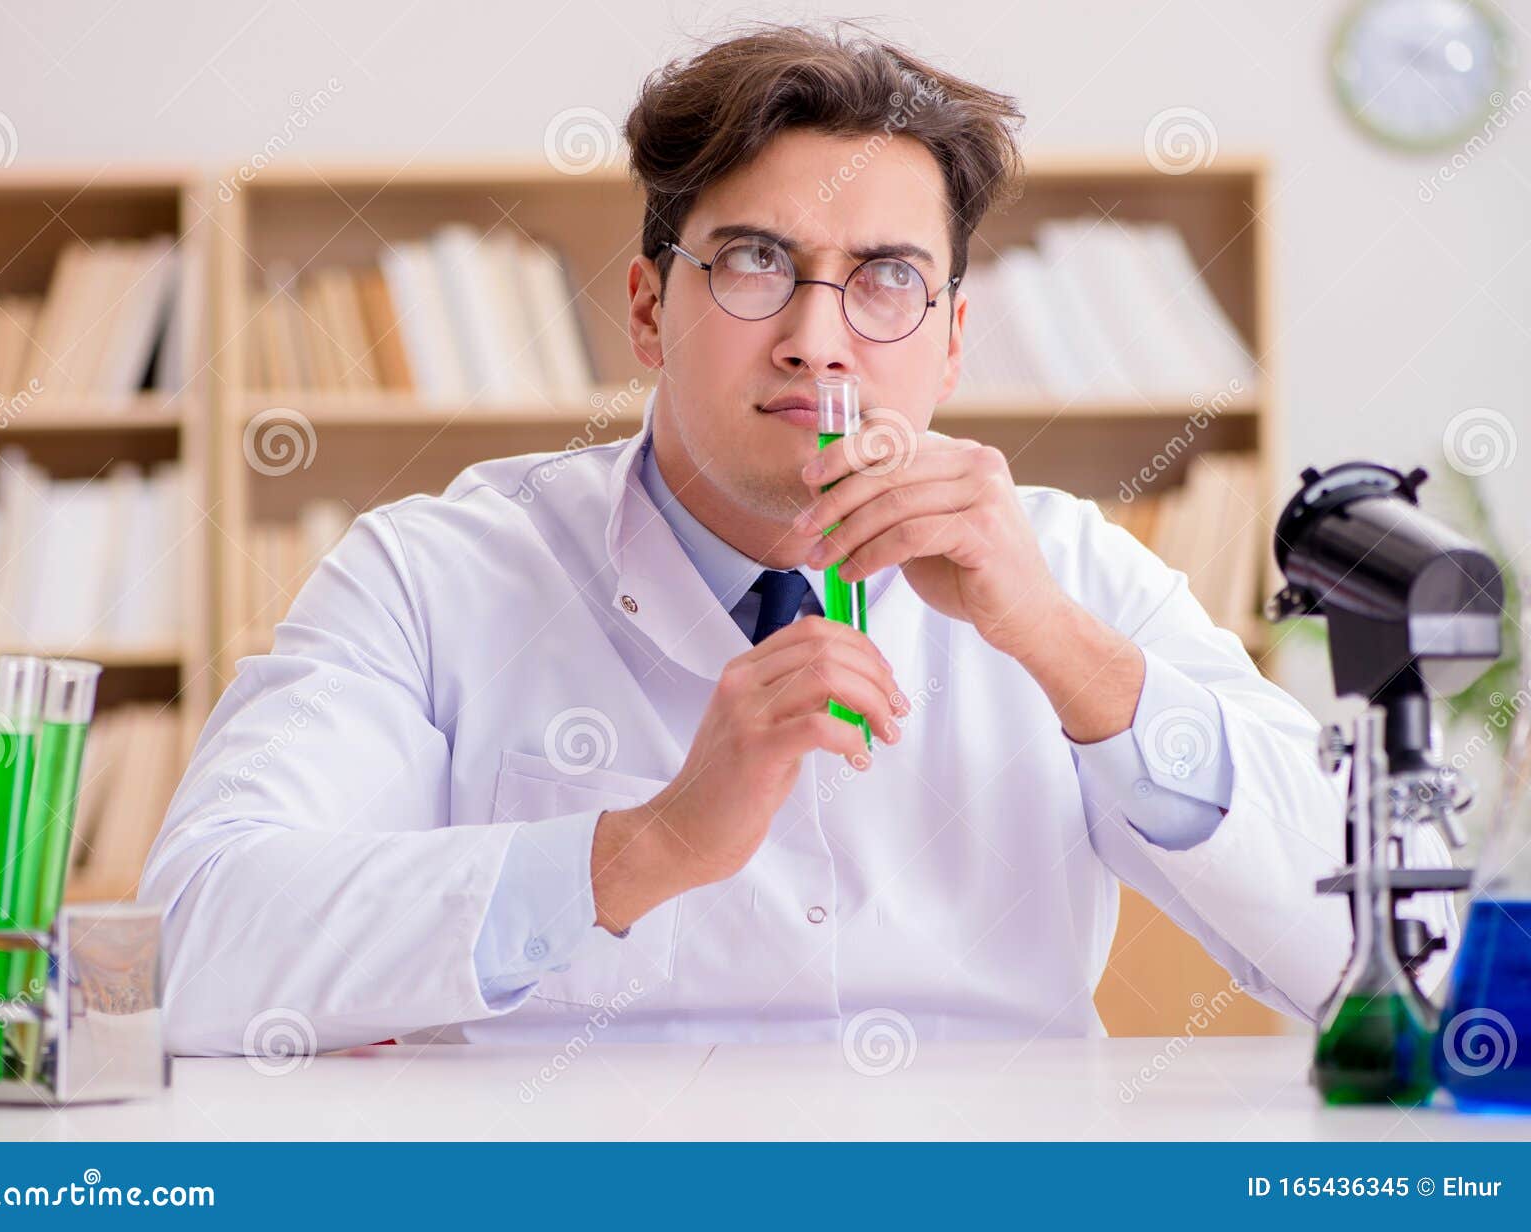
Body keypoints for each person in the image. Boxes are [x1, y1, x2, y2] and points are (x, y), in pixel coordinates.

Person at [143, 23, 1453, 1055]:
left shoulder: (1072, 572)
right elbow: (190, 951)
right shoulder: (431, 577)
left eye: (887, 278)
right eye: (756, 262)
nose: (818, 340)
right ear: (648, 309)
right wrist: (643, 849)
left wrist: (1065, 653)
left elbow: (1410, 963)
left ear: (952, 338)